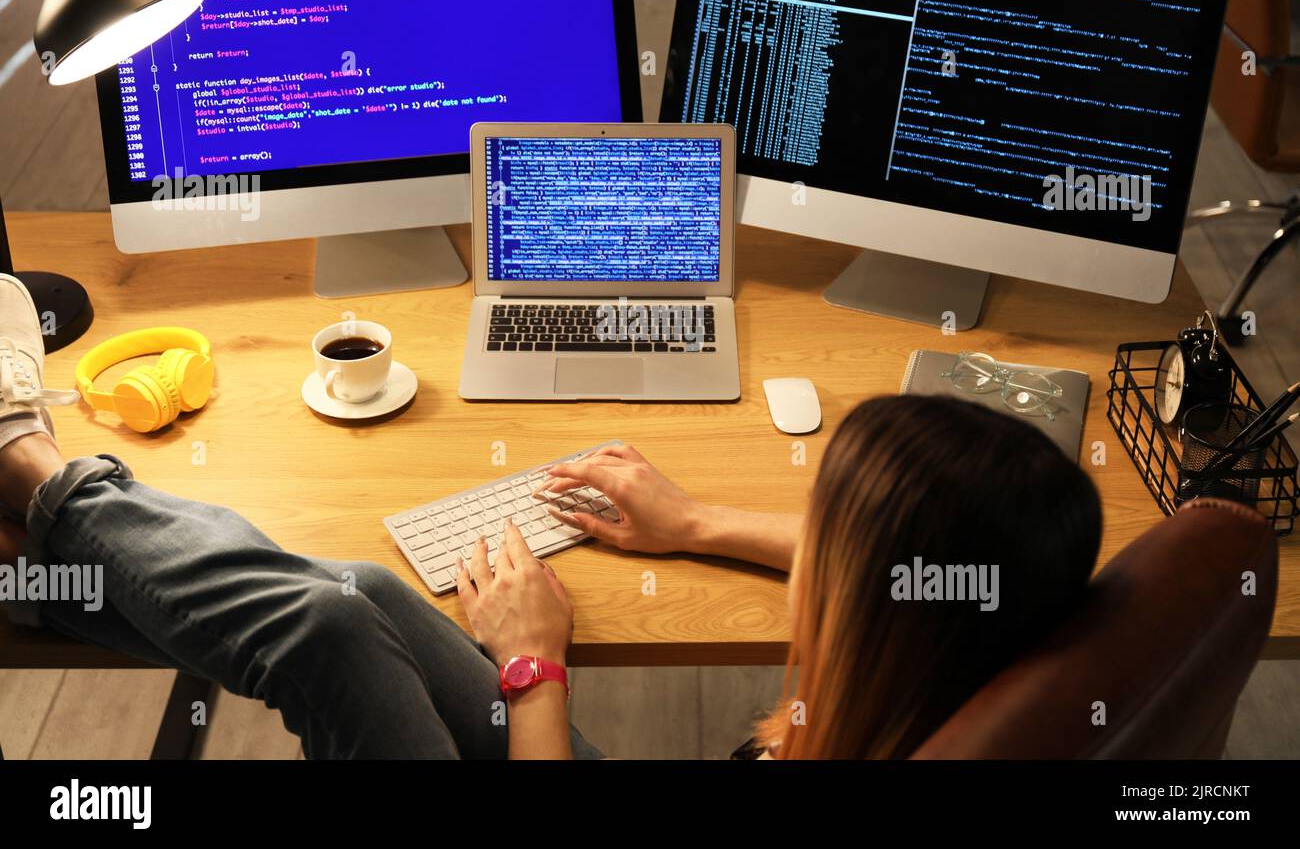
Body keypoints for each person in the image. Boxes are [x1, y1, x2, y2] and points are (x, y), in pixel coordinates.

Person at [0, 274, 1102, 759]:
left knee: (321, 632)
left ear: (882, 608)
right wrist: (696, 520)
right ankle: (35, 572)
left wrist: (534, 665)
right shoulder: (958, 648)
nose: (809, 535)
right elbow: (899, 560)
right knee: (363, 591)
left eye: (829, 531)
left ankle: (26, 460)